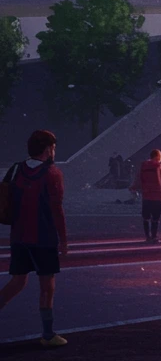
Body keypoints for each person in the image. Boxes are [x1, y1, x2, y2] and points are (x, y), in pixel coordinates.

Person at [0, 129, 69, 348]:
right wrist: (63, 240)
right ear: (48, 149)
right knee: (47, 285)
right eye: (53, 147)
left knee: (17, 281)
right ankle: (48, 334)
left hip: (19, 236)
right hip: (43, 237)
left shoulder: (16, 170)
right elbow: (57, 210)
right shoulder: (52, 173)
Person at [130, 149, 161, 243]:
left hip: (146, 195)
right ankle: (154, 236)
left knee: (146, 217)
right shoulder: (160, 166)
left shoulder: (143, 166)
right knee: (156, 218)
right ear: (158, 157)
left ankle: (147, 236)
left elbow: (138, 179)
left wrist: (134, 187)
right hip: (158, 195)